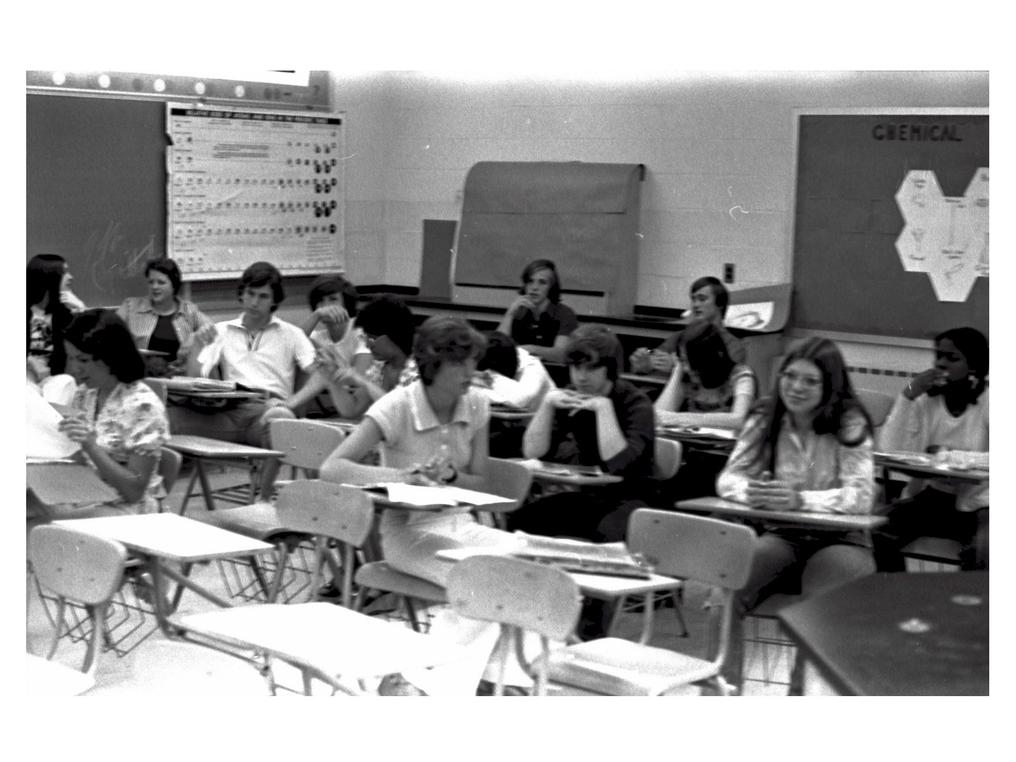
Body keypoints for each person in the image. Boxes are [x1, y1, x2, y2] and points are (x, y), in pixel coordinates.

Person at [319, 316, 527, 695]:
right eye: (460, 363)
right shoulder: (398, 405)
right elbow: (332, 467)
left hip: (460, 524)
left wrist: (451, 477)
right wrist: (403, 477)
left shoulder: (478, 403)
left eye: (473, 362)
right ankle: (426, 682)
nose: (470, 372)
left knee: (526, 565)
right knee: (482, 580)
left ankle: (498, 678)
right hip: (407, 532)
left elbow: (480, 481)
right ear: (433, 365)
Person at [715, 336, 875, 691]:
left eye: (810, 381)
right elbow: (729, 478)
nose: (796, 387)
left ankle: (799, 697)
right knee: (726, 587)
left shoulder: (850, 422)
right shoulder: (765, 415)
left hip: (841, 540)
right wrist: (755, 494)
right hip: (784, 533)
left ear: (829, 385)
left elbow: (861, 496)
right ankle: (725, 692)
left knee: (816, 611)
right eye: (790, 376)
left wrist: (800, 500)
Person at [175, 261, 318, 498]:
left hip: (265, 412)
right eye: (250, 294)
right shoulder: (221, 330)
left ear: (274, 300)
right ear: (241, 294)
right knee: (167, 416)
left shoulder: (292, 334)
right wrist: (197, 346)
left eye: (263, 296)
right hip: (227, 411)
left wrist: (290, 404)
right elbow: (196, 379)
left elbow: (320, 376)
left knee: (279, 418)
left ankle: (262, 497)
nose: (254, 302)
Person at [507, 324, 656, 544]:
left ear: (610, 369)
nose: (581, 378)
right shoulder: (572, 394)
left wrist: (603, 408)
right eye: (576, 368)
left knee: (608, 534)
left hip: (630, 497)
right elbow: (533, 451)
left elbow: (620, 463)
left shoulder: (636, 403)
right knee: (521, 522)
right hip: (588, 494)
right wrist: (547, 405)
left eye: (591, 368)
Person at [27, 309, 169, 522]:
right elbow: (76, 456)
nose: (74, 369)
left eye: (83, 360)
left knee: (37, 531)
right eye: (72, 358)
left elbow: (134, 492)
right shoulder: (87, 393)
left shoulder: (143, 407)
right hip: (88, 493)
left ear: (110, 355)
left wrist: (90, 446)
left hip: (128, 510)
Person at [873, 326, 989, 571]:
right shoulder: (927, 399)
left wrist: (947, 455)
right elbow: (891, 449)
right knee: (876, 532)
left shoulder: (991, 399)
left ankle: (972, 608)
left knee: (984, 549)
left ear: (974, 366)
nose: (941, 364)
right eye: (938, 356)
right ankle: (896, 603)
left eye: (952, 358)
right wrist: (907, 396)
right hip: (936, 498)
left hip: (982, 503)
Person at [319, 294, 419, 419]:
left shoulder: (419, 368)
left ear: (395, 335)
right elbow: (352, 410)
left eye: (373, 338)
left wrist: (363, 382)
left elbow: (403, 415)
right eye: (365, 337)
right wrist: (332, 380)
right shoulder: (380, 367)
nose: (367, 344)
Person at [116, 257, 214, 377]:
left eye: (161, 282)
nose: (155, 287)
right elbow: (109, 332)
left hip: (179, 381)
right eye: (151, 282)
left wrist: (194, 337)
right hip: (142, 377)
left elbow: (212, 329)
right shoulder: (131, 307)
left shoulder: (188, 310)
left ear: (174, 285)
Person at [630, 275, 745, 377]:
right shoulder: (680, 337)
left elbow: (720, 380)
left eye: (702, 299)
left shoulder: (733, 345)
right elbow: (654, 359)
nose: (695, 305)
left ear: (719, 303)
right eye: (693, 299)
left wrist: (677, 369)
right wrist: (644, 364)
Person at [297, 273, 373, 418]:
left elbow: (360, 376)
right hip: (334, 400)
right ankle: (296, 420)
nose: (326, 307)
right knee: (299, 364)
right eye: (321, 302)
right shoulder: (319, 336)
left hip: (362, 404)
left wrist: (329, 369)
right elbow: (291, 343)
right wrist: (316, 316)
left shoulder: (362, 331)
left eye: (333, 300)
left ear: (346, 303)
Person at [473, 330, 556, 457]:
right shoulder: (488, 361)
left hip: (543, 434)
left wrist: (491, 376)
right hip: (508, 427)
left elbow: (520, 399)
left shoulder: (532, 366)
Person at [496, 258, 578, 364]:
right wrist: (509, 314)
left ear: (551, 287)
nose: (534, 287)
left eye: (542, 282)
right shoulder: (519, 312)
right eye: (530, 281)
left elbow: (562, 354)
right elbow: (496, 348)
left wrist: (530, 349)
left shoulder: (565, 314)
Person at [27, 254, 83, 403]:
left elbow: (92, 345)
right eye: (64, 272)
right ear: (49, 276)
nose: (70, 277)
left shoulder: (63, 314)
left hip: (52, 381)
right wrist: (30, 360)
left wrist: (82, 309)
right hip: (25, 379)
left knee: (65, 383)